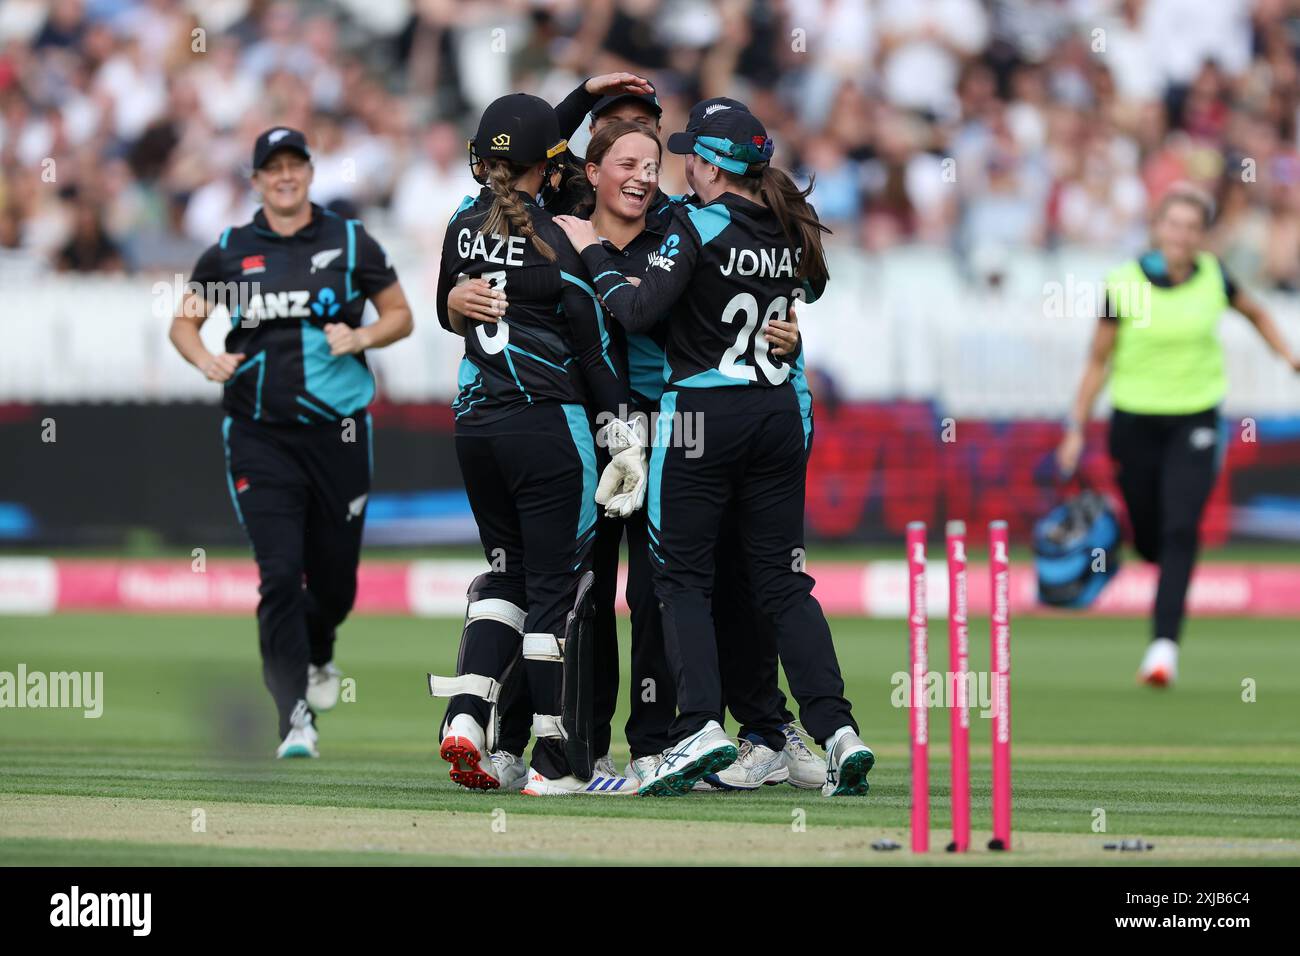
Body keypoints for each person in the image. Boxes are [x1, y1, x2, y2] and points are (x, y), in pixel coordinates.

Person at [554, 107, 875, 797]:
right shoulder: (790, 226)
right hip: (781, 412)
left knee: (680, 581)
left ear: (712, 163)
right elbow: (807, 291)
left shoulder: (695, 225)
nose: (681, 170)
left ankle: (698, 727)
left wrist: (591, 252)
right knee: (783, 582)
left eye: (688, 157)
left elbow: (636, 311)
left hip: (702, 416)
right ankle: (837, 732)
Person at [169, 127, 414, 757]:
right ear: (255, 180)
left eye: (294, 165)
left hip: (339, 430)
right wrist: (204, 360)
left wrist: (361, 339)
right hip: (258, 434)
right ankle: (294, 717)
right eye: (271, 167)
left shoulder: (349, 240)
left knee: (334, 584)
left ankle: (320, 653)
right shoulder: (231, 250)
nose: (284, 176)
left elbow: (400, 315)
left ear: (309, 172)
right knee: (279, 574)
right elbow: (185, 323)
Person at [429, 93, 638, 796]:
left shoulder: (461, 227)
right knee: (557, 591)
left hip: (474, 429)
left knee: (506, 576)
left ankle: (464, 716)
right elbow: (591, 354)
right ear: (548, 170)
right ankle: (552, 762)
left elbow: (443, 307)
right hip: (546, 428)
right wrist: (623, 435)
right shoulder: (563, 242)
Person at [1057, 184, 1300, 687]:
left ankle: (1162, 649)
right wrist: (1076, 427)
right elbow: (1098, 360)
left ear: (1202, 235)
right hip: (1135, 422)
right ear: (1157, 228)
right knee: (1152, 539)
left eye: (1192, 227)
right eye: (1174, 225)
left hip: (1196, 419)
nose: (1182, 235)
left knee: (1182, 528)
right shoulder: (1123, 283)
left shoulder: (1213, 276)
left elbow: (1255, 312)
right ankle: (1138, 552)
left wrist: (1288, 355)